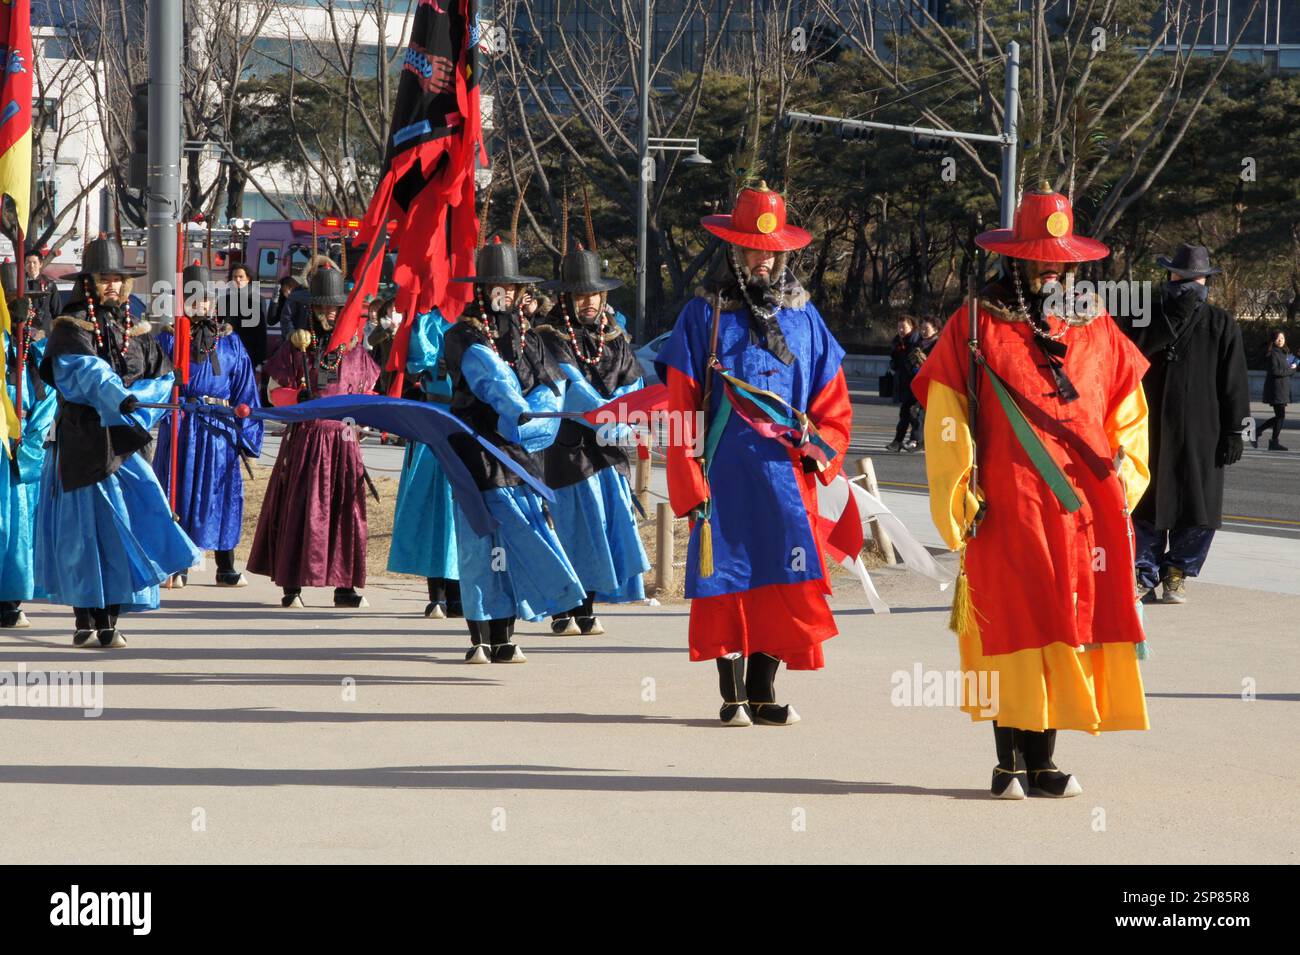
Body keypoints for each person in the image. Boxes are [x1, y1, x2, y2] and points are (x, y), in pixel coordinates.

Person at [912, 183, 1151, 798]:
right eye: (1039, 258)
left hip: (1079, 509)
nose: (1051, 268)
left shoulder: (1096, 326)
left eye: (1059, 259)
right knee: (1011, 628)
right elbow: (947, 413)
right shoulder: (975, 323)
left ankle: (1044, 762)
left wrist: (1123, 475)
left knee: (1063, 624)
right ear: (1015, 256)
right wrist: (959, 488)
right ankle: (1007, 762)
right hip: (1007, 501)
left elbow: (1129, 408)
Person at [656, 181, 853, 727]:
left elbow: (831, 398)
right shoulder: (703, 316)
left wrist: (823, 449)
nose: (761, 261)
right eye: (751, 250)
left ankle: (764, 692)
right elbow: (681, 406)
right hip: (723, 471)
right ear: (733, 251)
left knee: (782, 581)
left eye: (770, 252)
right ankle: (732, 694)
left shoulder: (805, 317)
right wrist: (688, 477)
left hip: (789, 475)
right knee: (727, 580)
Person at [33, 237, 201, 648]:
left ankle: (109, 618)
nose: (112, 286)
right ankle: (84, 617)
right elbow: (83, 372)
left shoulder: (137, 325)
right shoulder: (70, 325)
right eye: (104, 278)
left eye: (117, 279)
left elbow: (159, 376)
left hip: (125, 441)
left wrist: (142, 403)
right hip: (82, 440)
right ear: (89, 282)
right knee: (81, 532)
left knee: (123, 526)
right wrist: (117, 397)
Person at [442, 237, 585, 663]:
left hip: (522, 454)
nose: (505, 292)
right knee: (480, 544)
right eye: (495, 284)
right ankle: (480, 637)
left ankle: (506, 635)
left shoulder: (530, 337)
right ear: (482, 288)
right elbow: (494, 387)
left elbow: (554, 386)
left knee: (519, 542)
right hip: (476, 452)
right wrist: (521, 418)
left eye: (511, 285)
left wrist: (537, 424)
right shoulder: (462, 335)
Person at [1120, 244, 1250, 604]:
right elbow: (1126, 359)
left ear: (1206, 281)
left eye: (1196, 278)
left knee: (1196, 505)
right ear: (1169, 277)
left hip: (1201, 432)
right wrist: (1168, 320)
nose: (1188, 284)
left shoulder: (1221, 323)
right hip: (1149, 431)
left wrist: (1235, 430)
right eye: (1182, 277)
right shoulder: (1145, 317)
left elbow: (1234, 382)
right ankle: (1141, 573)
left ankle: (1177, 573)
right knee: (1144, 503)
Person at [247, 263, 380, 609]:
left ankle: (346, 585)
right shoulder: (296, 350)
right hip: (307, 436)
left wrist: (367, 418)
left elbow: (368, 394)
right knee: (301, 508)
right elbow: (275, 391)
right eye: (321, 307)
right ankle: (292, 585)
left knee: (346, 509)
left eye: (333, 308)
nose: (328, 314)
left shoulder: (356, 352)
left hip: (345, 438)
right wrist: (299, 400)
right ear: (312, 309)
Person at [536, 244, 650, 635]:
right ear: (567, 295)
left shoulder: (614, 333)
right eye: (581, 294)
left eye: (595, 293)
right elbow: (574, 387)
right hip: (568, 448)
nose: (590, 301)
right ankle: (562, 608)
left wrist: (621, 417)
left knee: (602, 525)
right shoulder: (549, 335)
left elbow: (634, 381)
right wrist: (607, 414)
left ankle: (587, 606)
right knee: (572, 526)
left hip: (608, 444)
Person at [154, 263, 265, 588]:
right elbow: (155, 382)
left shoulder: (231, 343)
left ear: (212, 303)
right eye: (191, 299)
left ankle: (226, 565)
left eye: (204, 299)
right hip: (182, 425)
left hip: (220, 429)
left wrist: (248, 435)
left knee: (222, 494)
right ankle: (179, 562)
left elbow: (246, 391)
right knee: (180, 492)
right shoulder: (169, 340)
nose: (199, 305)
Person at [386, 305, 462, 619]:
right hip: (435, 425)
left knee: (465, 513)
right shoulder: (427, 322)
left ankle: (461, 593)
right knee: (436, 512)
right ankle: (439, 593)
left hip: (468, 427)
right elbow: (419, 361)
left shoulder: (479, 318)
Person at [0, 264, 59, 628]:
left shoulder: (35, 354)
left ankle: (10, 598)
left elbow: (48, 398)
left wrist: (30, 440)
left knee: (19, 526)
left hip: (21, 448)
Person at [219, 263, 273, 369]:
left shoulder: (257, 299)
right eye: (235, 277)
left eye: (241, 277)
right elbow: (217, 322)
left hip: (249, 352)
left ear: (248, 279)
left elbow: (261, 330)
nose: (238, 280)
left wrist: (260, 356)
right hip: (228, 351)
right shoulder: (224, 299)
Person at [1255, 330, 1296, 451]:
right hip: (1276, 389)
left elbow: (1285, 371)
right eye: (1278, 338)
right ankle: (1266, 437)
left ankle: (1266, 436)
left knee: (1280, 416)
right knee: (1280, 416)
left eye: (1282, 338)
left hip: (1283, 388)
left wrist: (1293, 366)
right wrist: (1292, 370)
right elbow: (1275, 372)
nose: (1281, 340)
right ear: (1273, 340)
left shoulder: (1285, 353)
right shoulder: (1272, 353)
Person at [887, 317, 923, 451]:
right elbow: (896, 361)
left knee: (915, 414)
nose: (901, 330)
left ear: (912, 327)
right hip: (905, 382)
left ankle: (914, 441)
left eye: (904, 327)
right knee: (905, 413)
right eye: (899, 327)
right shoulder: (897, 342)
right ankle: (898, 441)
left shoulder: (917, 341)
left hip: (917, 382)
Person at [24, 251, 62, 333]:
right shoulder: (19, 284)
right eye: (28, 262)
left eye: (34, 262)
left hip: (44, 331)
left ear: (40, 264)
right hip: (24, 329)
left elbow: (56, 311)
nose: (31, 266)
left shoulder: (49, 285)